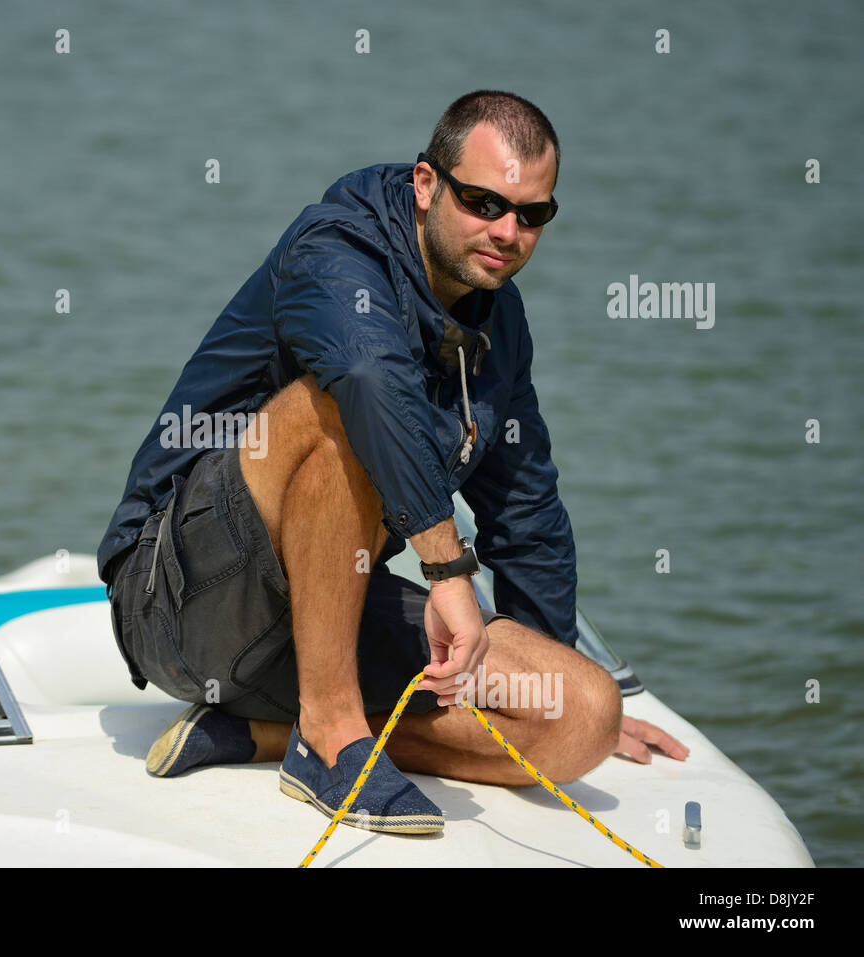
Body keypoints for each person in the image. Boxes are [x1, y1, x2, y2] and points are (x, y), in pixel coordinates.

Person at [98, 90, 687, 833]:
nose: (507, 232)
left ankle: (273, 735)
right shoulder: (333, 250)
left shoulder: (497, 319)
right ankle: (331, 730)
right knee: (343, 405)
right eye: (483, 202)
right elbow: (370, 381)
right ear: (425, 184)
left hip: (322, 620)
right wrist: (446, 571)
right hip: (178, 602)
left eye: (532, 214)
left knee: (583, 713)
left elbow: (526, 509)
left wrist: (546, 674)